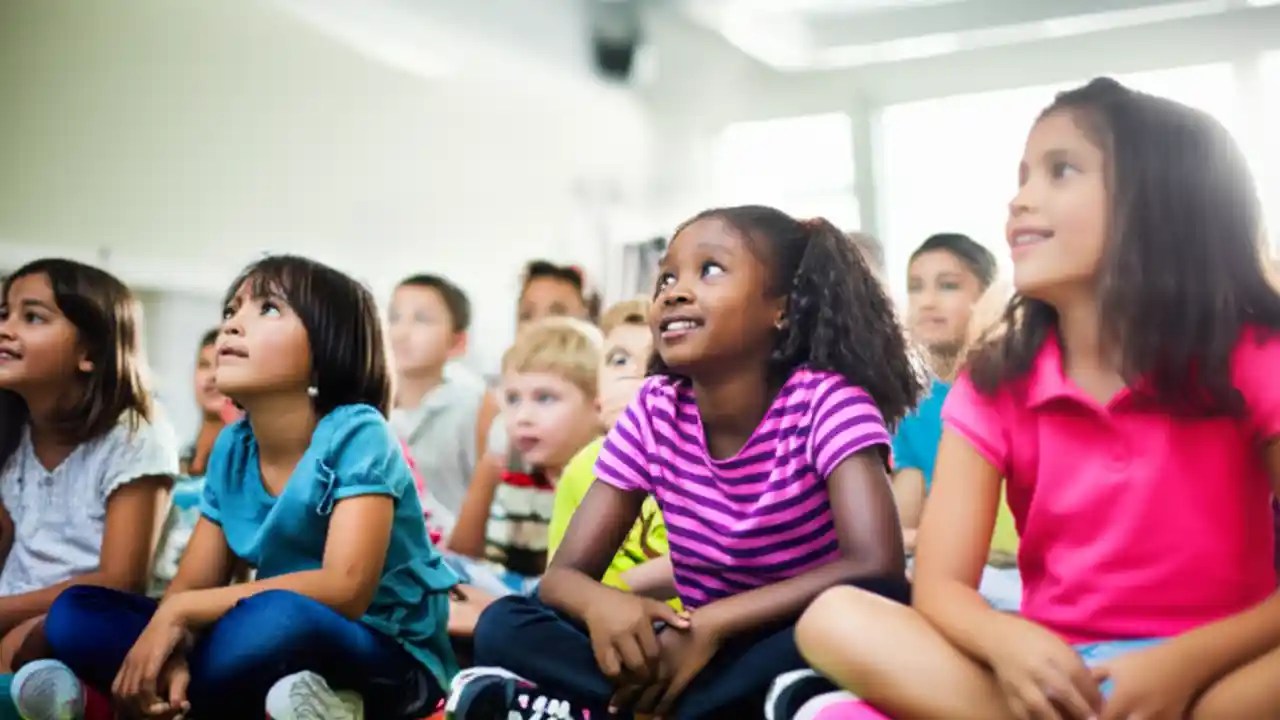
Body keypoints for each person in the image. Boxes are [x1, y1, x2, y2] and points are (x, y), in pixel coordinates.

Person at [791, 77, 1280, 720]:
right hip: (1058, 675)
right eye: (1023, 177)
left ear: (1161, 204)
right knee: (834, 617)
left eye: (1061, 171)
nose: (1020, 200)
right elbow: (939, 587)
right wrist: (1007, 639)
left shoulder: (1258, 356)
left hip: (1218, 674)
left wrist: (1180, 666)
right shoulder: (995, 382)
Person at [449, 205, 923, 719]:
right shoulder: (655, 410)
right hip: (696, 642)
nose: (674, 290)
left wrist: (714, 624)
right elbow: (563, 578)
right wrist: (605, 606)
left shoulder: (827, 401)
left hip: (795, 630)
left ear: (781, 308)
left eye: (710, 269)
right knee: (505, 622)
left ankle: (584, 707)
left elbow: (877, 568)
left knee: (825, 636)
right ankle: (715, 708)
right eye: (666, 278)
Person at [37, 255, 458, 720]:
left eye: (268, 309)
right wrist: (171, 643)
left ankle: (183, 700)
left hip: (384, 650)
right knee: (75, 611)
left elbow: (345, 589)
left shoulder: (360, 432)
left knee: (272, 619)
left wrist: (178, 614)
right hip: (266, 640)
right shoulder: (234, 448)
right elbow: (191, 586)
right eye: (231, 311)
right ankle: (229, 694)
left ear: (327, 348)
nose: (232, 326)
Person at [0, 259, 176, 688]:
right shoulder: (12, 429)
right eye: (4, 313)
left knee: (35, 641)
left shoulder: (135, 436)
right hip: (11, 605)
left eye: (33, 316)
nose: (6, 327)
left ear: (90, 354)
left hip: (81, 613)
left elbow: (120, 580)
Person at [547, 298, 673, 600]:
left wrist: (609, 594)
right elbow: (556, 584)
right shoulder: (583, 467)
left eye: (656, 362)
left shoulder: (700, 457)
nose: (636, 373)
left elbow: (714, 566)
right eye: (618, 360)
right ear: (597, 393)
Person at [388, 274, 496, 539]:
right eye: (393, 317)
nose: (400, 333)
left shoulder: (473, 408)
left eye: (422, 320)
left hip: (449, 555)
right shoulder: (362, 407)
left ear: (457, 342)